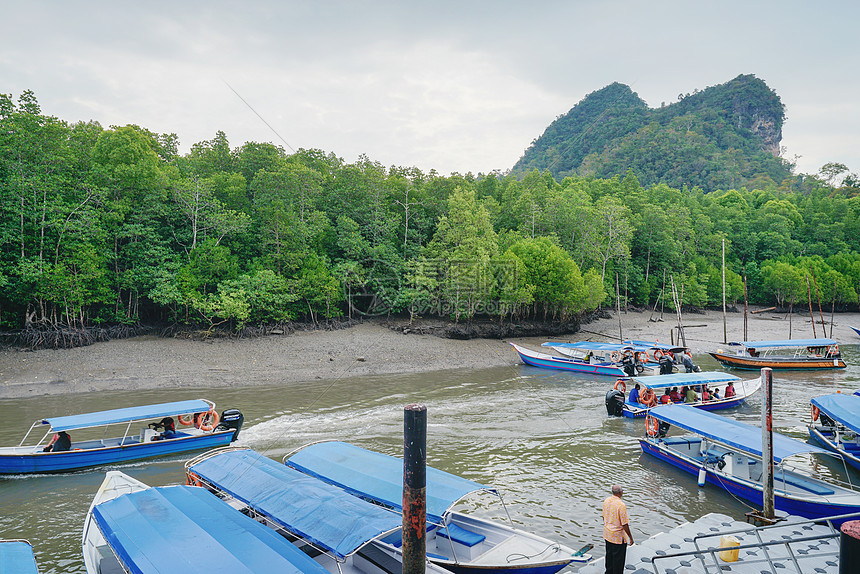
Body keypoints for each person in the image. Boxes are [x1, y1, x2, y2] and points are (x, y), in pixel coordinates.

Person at [602, 484, 633, 574]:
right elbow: (625, 524)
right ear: (620, 493)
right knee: (618, 561)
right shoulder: (621, 505)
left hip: (607, 534)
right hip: (618, 537)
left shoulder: (606, 500)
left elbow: (603, 516)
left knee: (609, 556)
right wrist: (630, 538)